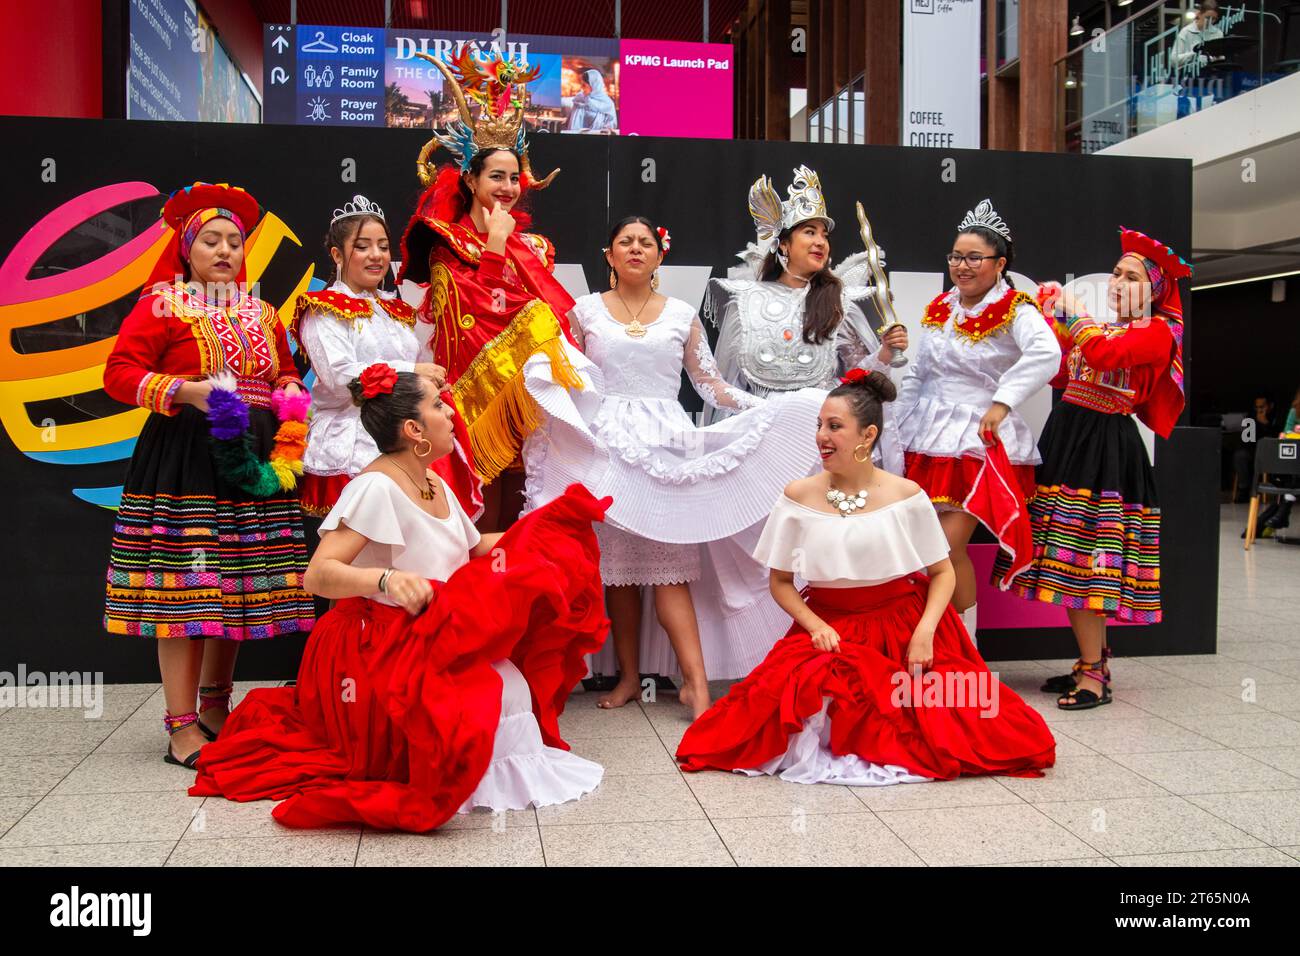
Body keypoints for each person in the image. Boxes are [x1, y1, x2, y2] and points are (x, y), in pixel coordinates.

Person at [190, 366, 607, 831]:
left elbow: (473, 549)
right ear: (414, 429)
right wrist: (386, 580)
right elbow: (318, 575)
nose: (451, 414)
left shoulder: (435, 482)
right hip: (377, 641)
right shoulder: (374, 486)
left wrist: (550, 531)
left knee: (506, 681)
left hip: (432, 629)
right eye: (438, 406)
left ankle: (485, 771)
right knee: (484, 690)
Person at [675, 371, 1056, 784]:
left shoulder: (906, 495)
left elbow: (942, 572)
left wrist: (925, 632)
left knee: (962, 725)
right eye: (819, 425)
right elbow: (780, 582)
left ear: (868, 435)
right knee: (757, 717)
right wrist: (815, 626)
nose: (821, 436)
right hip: (829, 625)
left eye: (834, 426)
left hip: (900, 624)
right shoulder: (798, 495)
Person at [522, 217, 831, 716]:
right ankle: (627, 677)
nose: (635, 249)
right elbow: (571, 375)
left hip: (668, 447)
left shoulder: (681, 314)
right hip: (608, 447)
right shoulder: (583, 311)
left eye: (645, 243)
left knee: (670, 571)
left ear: (659, 255)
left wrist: (765, 408)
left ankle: (695, 683)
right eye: (625, 242)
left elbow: (710, 385)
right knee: (618, 571)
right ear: (609, 255)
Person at [102, 182, 315, 769]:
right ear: (187, 250)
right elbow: (118, 373)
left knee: (236, 586)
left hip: (252, 454)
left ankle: (217, 709)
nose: (224, 251)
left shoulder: (261, 311)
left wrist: (290, 392)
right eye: (211, 241)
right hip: (188, 457)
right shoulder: (164, 305)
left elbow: (284, 372)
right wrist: (183, 391)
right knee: (189, 591)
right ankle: (180, 728)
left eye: (234, 242)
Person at [399, 49, 583, 530]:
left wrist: (506, 245)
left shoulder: (535, 249)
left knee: (520, 515)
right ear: (470, 178)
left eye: (513, 178)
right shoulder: (445, 242)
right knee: (477, 517)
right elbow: (475, 313)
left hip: (523, 401)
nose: (507, 187)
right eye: (495, 176)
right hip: (467, 400)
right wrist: (496, 245)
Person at [1020, 228, 1192, 709]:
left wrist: (1074, 312)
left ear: (1155, 291)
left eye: (1132, 277)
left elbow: (1103, 355)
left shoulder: (1157, 332)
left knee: (1087, 565)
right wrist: (1053, 320)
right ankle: (1090, 664)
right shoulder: (1107, 327)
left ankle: (1094, 675)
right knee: (1071, 563)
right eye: (1116, 273)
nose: (1118, 282)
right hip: (1070, 439)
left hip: (1102, 451)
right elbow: (1063, 372)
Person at [893, 199, 1060, 631]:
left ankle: (962, 646)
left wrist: (1002, 402)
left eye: (973, 258)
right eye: (955, 257)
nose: (961, 266)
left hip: (975, 441)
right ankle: (938, 641)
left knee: (945, 549)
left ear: (999, 263)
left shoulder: (1016, 308)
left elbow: (1046, 353)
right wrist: (896, 426)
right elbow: (921, 372)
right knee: (923, 550)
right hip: (927, 437)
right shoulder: (941, 306)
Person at [293, 194, 481, 520]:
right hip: (355, 440)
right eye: (362, 246)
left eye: (382, 246)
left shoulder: (396, 310)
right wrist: (411, 371)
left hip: (409, 436)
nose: (376, 255)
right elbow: (340, 378)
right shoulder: (323, 309)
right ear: (337, 254)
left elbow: (421, 363)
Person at [702, 165, 909, 458]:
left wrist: (885, 353)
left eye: (824, 235)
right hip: (756, 439)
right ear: (783, 244)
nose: (820, 242)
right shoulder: (746, 302)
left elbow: (858, 380)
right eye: (809, 232)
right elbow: (727, 385)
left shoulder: (840, 303)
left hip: (818, 440)